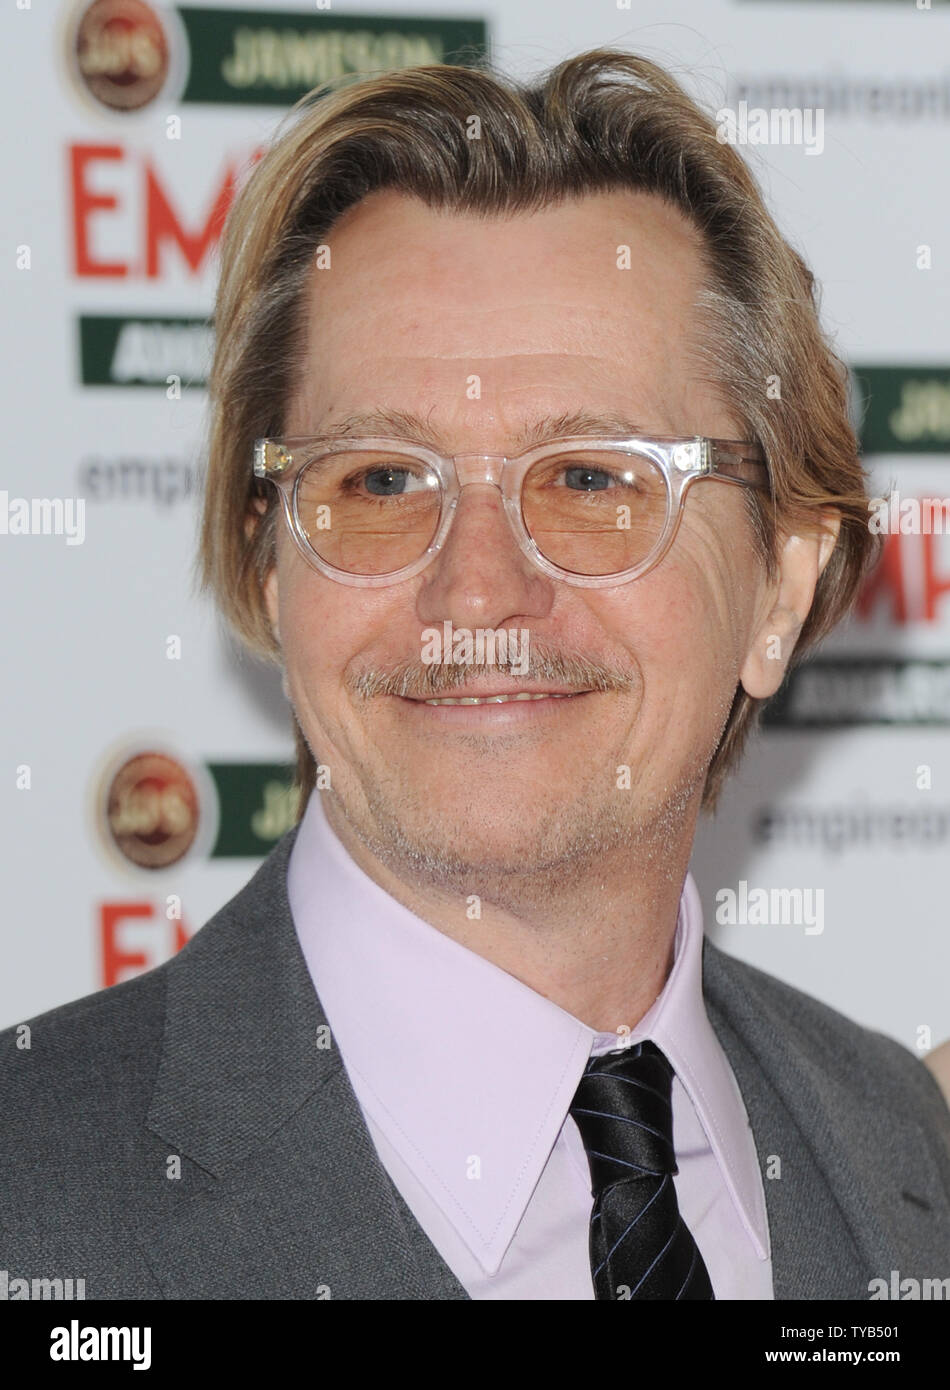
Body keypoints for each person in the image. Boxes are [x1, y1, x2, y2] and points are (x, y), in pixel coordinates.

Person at [2, 48, 948, 1302]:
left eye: (594, 479)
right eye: (381, 482)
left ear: (777, 585)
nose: (476, 590)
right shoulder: (32, 1199)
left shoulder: (905, 1152)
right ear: (271, 569)